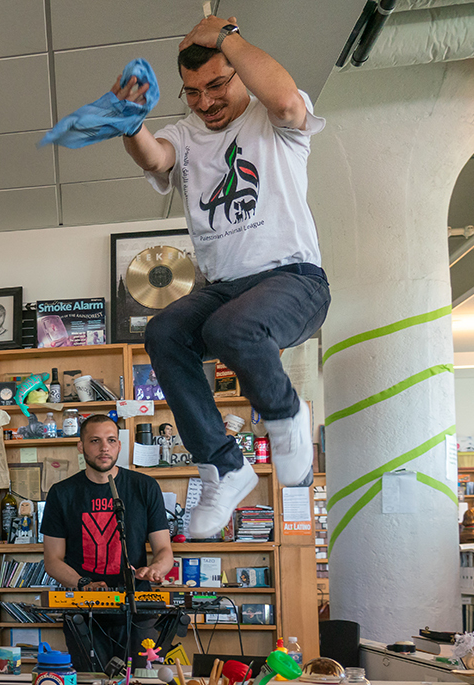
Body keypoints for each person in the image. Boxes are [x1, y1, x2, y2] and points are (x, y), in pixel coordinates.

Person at [114, 15, 328, 536]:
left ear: (239, 73)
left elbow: (284, 101)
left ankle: (286, 418)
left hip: (294, 279)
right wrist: (130, 123)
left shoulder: (270, 120)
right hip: (226, 289)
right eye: (192, 93)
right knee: (164, 331)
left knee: (231, 328)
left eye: (216, 86)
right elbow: (154, 157)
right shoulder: (184, 136)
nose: (205, 102)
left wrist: (226, 37)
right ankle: (225, 468)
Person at [42, 415, 173, 669]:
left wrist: (155, 569)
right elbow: (52, 560)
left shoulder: (145, 486)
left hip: (138, 608)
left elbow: (164, 550)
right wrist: (84, 583)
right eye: (95, 441)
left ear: (119, 446)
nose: (104, 448)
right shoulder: (62, 493)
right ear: (80, 446)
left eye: (111, 440)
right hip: (84, 611)